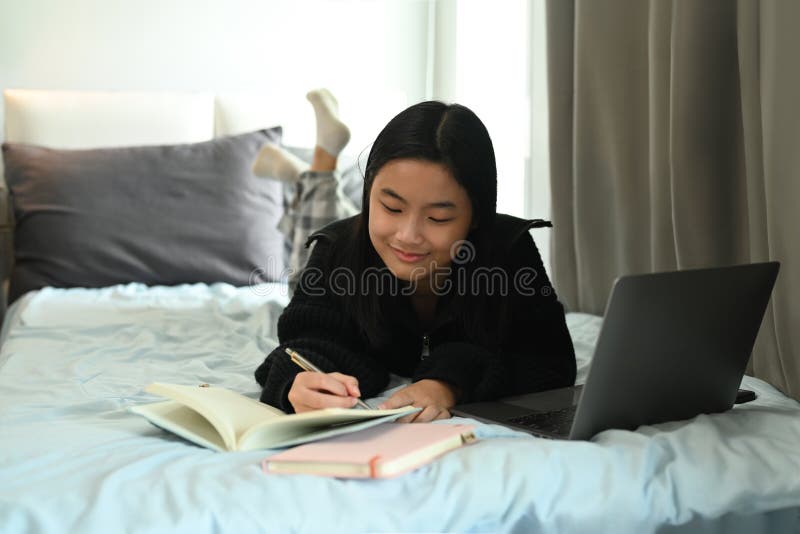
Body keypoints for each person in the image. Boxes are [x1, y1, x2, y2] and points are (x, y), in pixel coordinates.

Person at [253, 89, 576, 423]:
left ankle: (307, 174)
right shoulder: (334, 251)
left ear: (476, 215)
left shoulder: (510, 252)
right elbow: (303, 345)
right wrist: (299, 383)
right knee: (308, 235)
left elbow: (551, 361)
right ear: (368, 194)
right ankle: (311, 174)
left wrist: (450, 382)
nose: (407, 236)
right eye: (391, 207)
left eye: (438, 218)